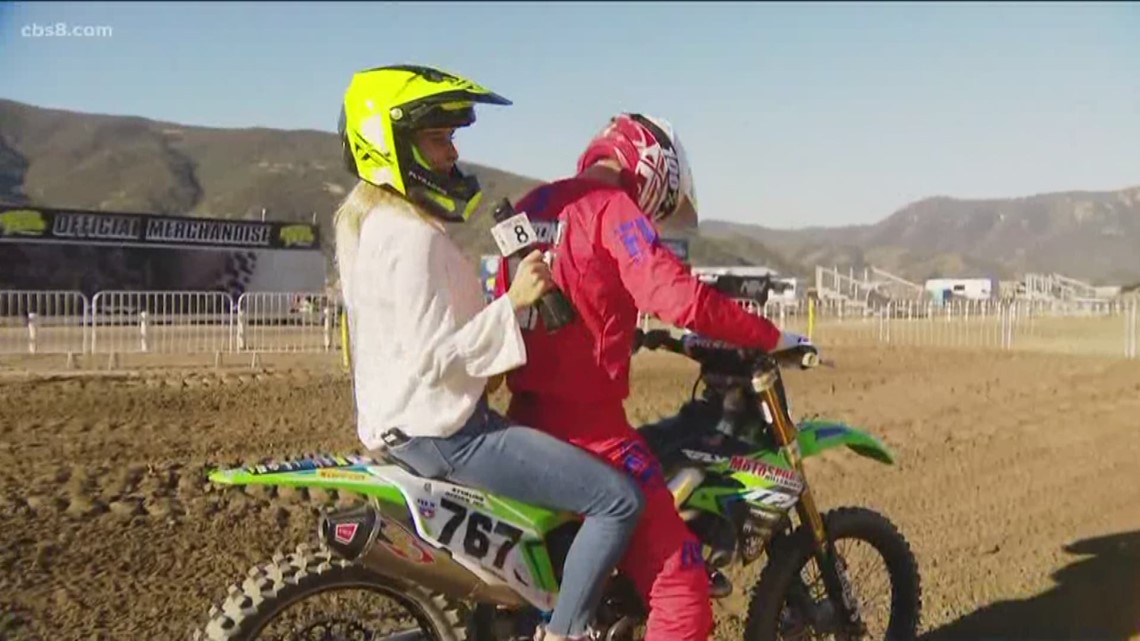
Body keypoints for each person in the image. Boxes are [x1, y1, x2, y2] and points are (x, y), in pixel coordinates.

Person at [333, 65, 646, 641]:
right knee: (616, 500)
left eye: (452, 138)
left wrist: (512, 319)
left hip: (398, 428)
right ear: (392, 145)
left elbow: (412, 348)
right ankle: (565, 632)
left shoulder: (369, 229)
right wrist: (516, 302)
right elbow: (435, 359)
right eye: (438, 138)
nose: (452, 153)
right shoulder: (414, 238)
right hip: (450, 435)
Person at [492, 113, 810, 641]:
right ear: (653, 168)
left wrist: (626, 333)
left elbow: (546, 304)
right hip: (593, 433)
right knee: (683, 590)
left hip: (523, 418)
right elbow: (677, 297)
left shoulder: (534, 205)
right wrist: (767, 335)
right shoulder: (613, 209)